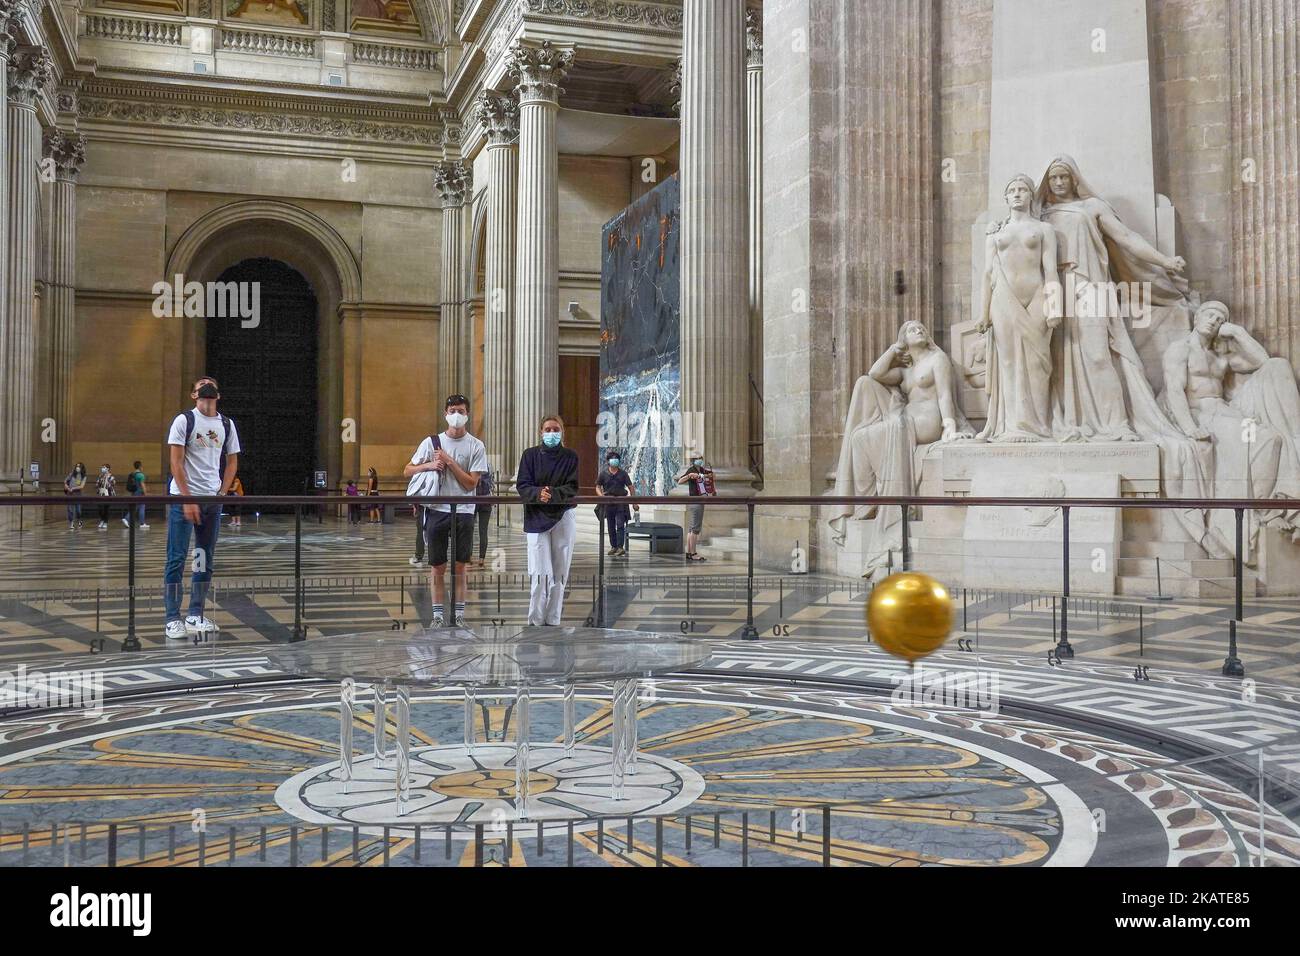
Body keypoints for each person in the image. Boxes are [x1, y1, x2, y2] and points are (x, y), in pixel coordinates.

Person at [826, 321, 974, 578]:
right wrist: (894, 349)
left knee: (893, 426)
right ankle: (869, 501)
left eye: (921, 327)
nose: (920, 329)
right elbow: (874, 375)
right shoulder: (906, 371)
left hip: (928, 421)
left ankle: (890, 512)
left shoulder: (937, 359)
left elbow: (944, 396)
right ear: (904, 338)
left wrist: (949, 425)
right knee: (859, 436)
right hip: (906, 417)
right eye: (912, 328)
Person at [163, 375, 241, 641]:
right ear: (193, 395)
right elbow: (175, 462)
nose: (206, 390)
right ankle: (172, 618)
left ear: (218, 395)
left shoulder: (227, 425)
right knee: (176, 558)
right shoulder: (184, 421)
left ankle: (195, 613)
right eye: (201, 388)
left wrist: (221, 494)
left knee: (203, 559)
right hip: (182, 498)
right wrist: (187, 498)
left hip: (211, 499)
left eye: (211, 388)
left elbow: (231, 462)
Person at [403, 395, 487, 628]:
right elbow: (407, 470)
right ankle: (438, 615)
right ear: (445, 414)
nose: (456, 415)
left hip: (464, 511)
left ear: (467, 414)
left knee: (461, 566)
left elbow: (471, 484)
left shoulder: (476, 445)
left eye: (460, 410)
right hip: (436, 510)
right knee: (437, 566)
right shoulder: (431, 442)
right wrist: (429, 465)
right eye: (452, 410)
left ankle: (458, 615)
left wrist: (449, 461)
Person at [516, 415, 579, 625]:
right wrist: (538, 494)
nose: (552, 433)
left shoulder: (571, 456)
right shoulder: (530, 455)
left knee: (560, 571)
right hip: (536, 516)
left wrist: (551, 494)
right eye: (548, 429)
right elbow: (523, 485)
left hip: (563, 515)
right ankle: (535, 618)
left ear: (562, 431)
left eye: (555, 429)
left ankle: (553, 618)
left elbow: (572, 487)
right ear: (540, 432)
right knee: (539, 572)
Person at [596, 451, 638, 556]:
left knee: (620, 525)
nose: (614, 460)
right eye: (612, 458)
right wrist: (601, 497)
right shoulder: (603, 474)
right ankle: (613, 546)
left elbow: (630, 487)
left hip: (621, 502)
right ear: (608, 461)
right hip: (609, 502)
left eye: (616, 458)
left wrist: (634, 502)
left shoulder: (623, 473)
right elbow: (597, 486)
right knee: (610, 526)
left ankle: (620, 547)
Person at [676, 454, 717, 562]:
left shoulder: (702, 470)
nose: (701, 460)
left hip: (699, 500)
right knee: (695, 528)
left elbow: (713, 475)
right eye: (698, 458)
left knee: (691, 528)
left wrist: (707, 476)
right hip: (696, 501)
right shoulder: (691, 470)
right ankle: (693, 553)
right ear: (694, 461)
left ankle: (689, 552)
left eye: (701, 458)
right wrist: (690, 476)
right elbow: (680, 481)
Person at [472, 470, 494, 568]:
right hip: (486, 500)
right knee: (483, 531)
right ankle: (481, 558)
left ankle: (469, 556)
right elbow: (492, 485)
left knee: (469, 529)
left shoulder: (473, 465)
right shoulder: (489, 466)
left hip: (473, 500)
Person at [127, 460, 150, 529]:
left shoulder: (133, 474)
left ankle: (127, 518)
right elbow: (142, 485)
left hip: (134, 492)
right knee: (142, 507)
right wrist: (145, 492)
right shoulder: (141, 475)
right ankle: (141, 523)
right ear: (140, 466)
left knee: (136, 507)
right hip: (140, 493)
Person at [64, 462, 87, 530]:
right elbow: (65, 481)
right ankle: (71, 523)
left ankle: (79, 520)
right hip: (70, 494)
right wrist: (67, 488)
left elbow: (82, 486)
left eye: (79, 466)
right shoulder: (71, 474)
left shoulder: (83, 476)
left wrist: (73, 488)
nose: (77, 468)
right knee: (70, 510)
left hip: (78, 494)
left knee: (78, 510)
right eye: (77, 466)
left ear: (82, 468)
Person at [95, 465, 116, 530]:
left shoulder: (111, 477)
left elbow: (113, 484)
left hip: (108, 494)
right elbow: (97, 484)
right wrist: (98, 484)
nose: (102, 468)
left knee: (106, 508)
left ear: (108, 469)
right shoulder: (100, 476)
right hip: (101, 494)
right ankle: (102, 520)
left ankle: (105, 522)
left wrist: (107, 481)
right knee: (100, 507)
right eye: (102, 467)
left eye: (104, 467)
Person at [409, 504, 427, 568]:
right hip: (439, 508)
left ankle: (418, 557)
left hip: (423, 508)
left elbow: (413, 494)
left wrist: (415, 507)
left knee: (421, 534)